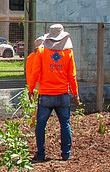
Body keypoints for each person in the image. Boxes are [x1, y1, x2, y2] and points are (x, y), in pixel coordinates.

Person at [27, 24, 79, 161]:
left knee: (41, 124)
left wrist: (31, 89)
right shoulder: (68, 52)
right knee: (65, 124)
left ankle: (41, 153)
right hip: (62, 95)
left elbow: (35, 72)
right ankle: (66, 154)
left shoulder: (42, 51)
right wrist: (75, 93)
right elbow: (72, 75)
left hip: (45, 95)